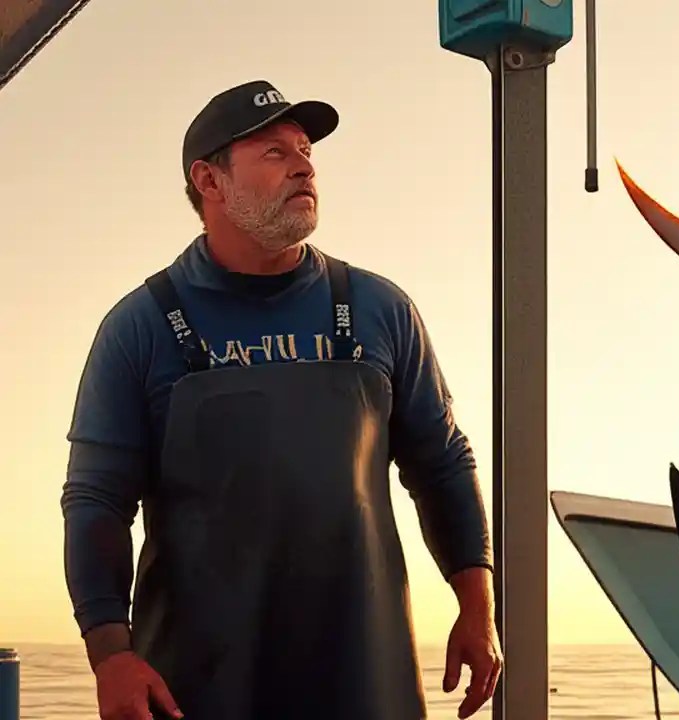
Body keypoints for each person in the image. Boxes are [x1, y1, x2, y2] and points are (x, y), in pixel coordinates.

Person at [59, 79, 502, 720]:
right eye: (273, 152)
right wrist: (111, 656)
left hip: (366, 680)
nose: (303, 164)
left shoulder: (381, 310)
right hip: (195, 689)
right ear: (209, 181)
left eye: (305, 150)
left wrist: (477, 607)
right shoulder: (142, 326)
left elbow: (441, 464)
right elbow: (96, 500)